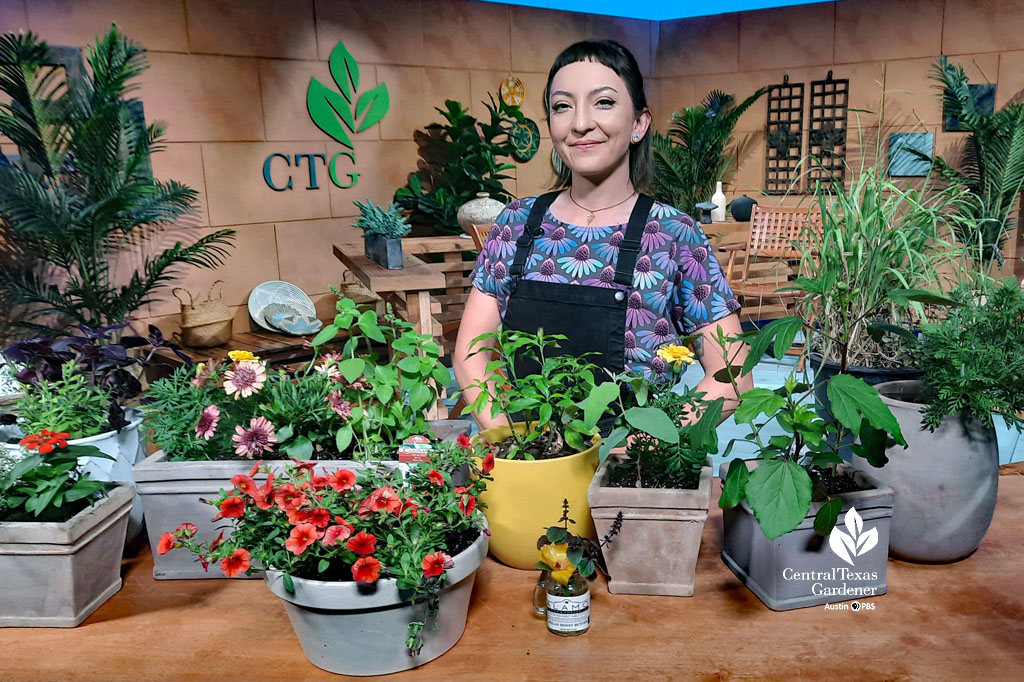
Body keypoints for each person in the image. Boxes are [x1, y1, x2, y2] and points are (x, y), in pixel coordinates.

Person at [454, 40, 752, 431]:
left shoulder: (673, 233)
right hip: (532, 460)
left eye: (603, 102)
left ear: (640, 123)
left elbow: (733, 377)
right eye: (562, 106)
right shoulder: (516, 224)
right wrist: (510, 436)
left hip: (631, 472)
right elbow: (469, 354)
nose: (580, 123)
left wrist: (653, 442)